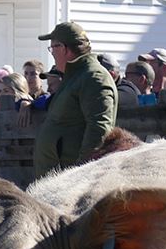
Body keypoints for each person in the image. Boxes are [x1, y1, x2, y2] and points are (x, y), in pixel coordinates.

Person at [32, 21, 117, 177]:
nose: (52, 53)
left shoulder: (93, 77)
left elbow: (99, 128)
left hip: (71, 178)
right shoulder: (75, 75)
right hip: (59, 175)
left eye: (52, 48)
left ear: (64, 48)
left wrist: (81, 171)